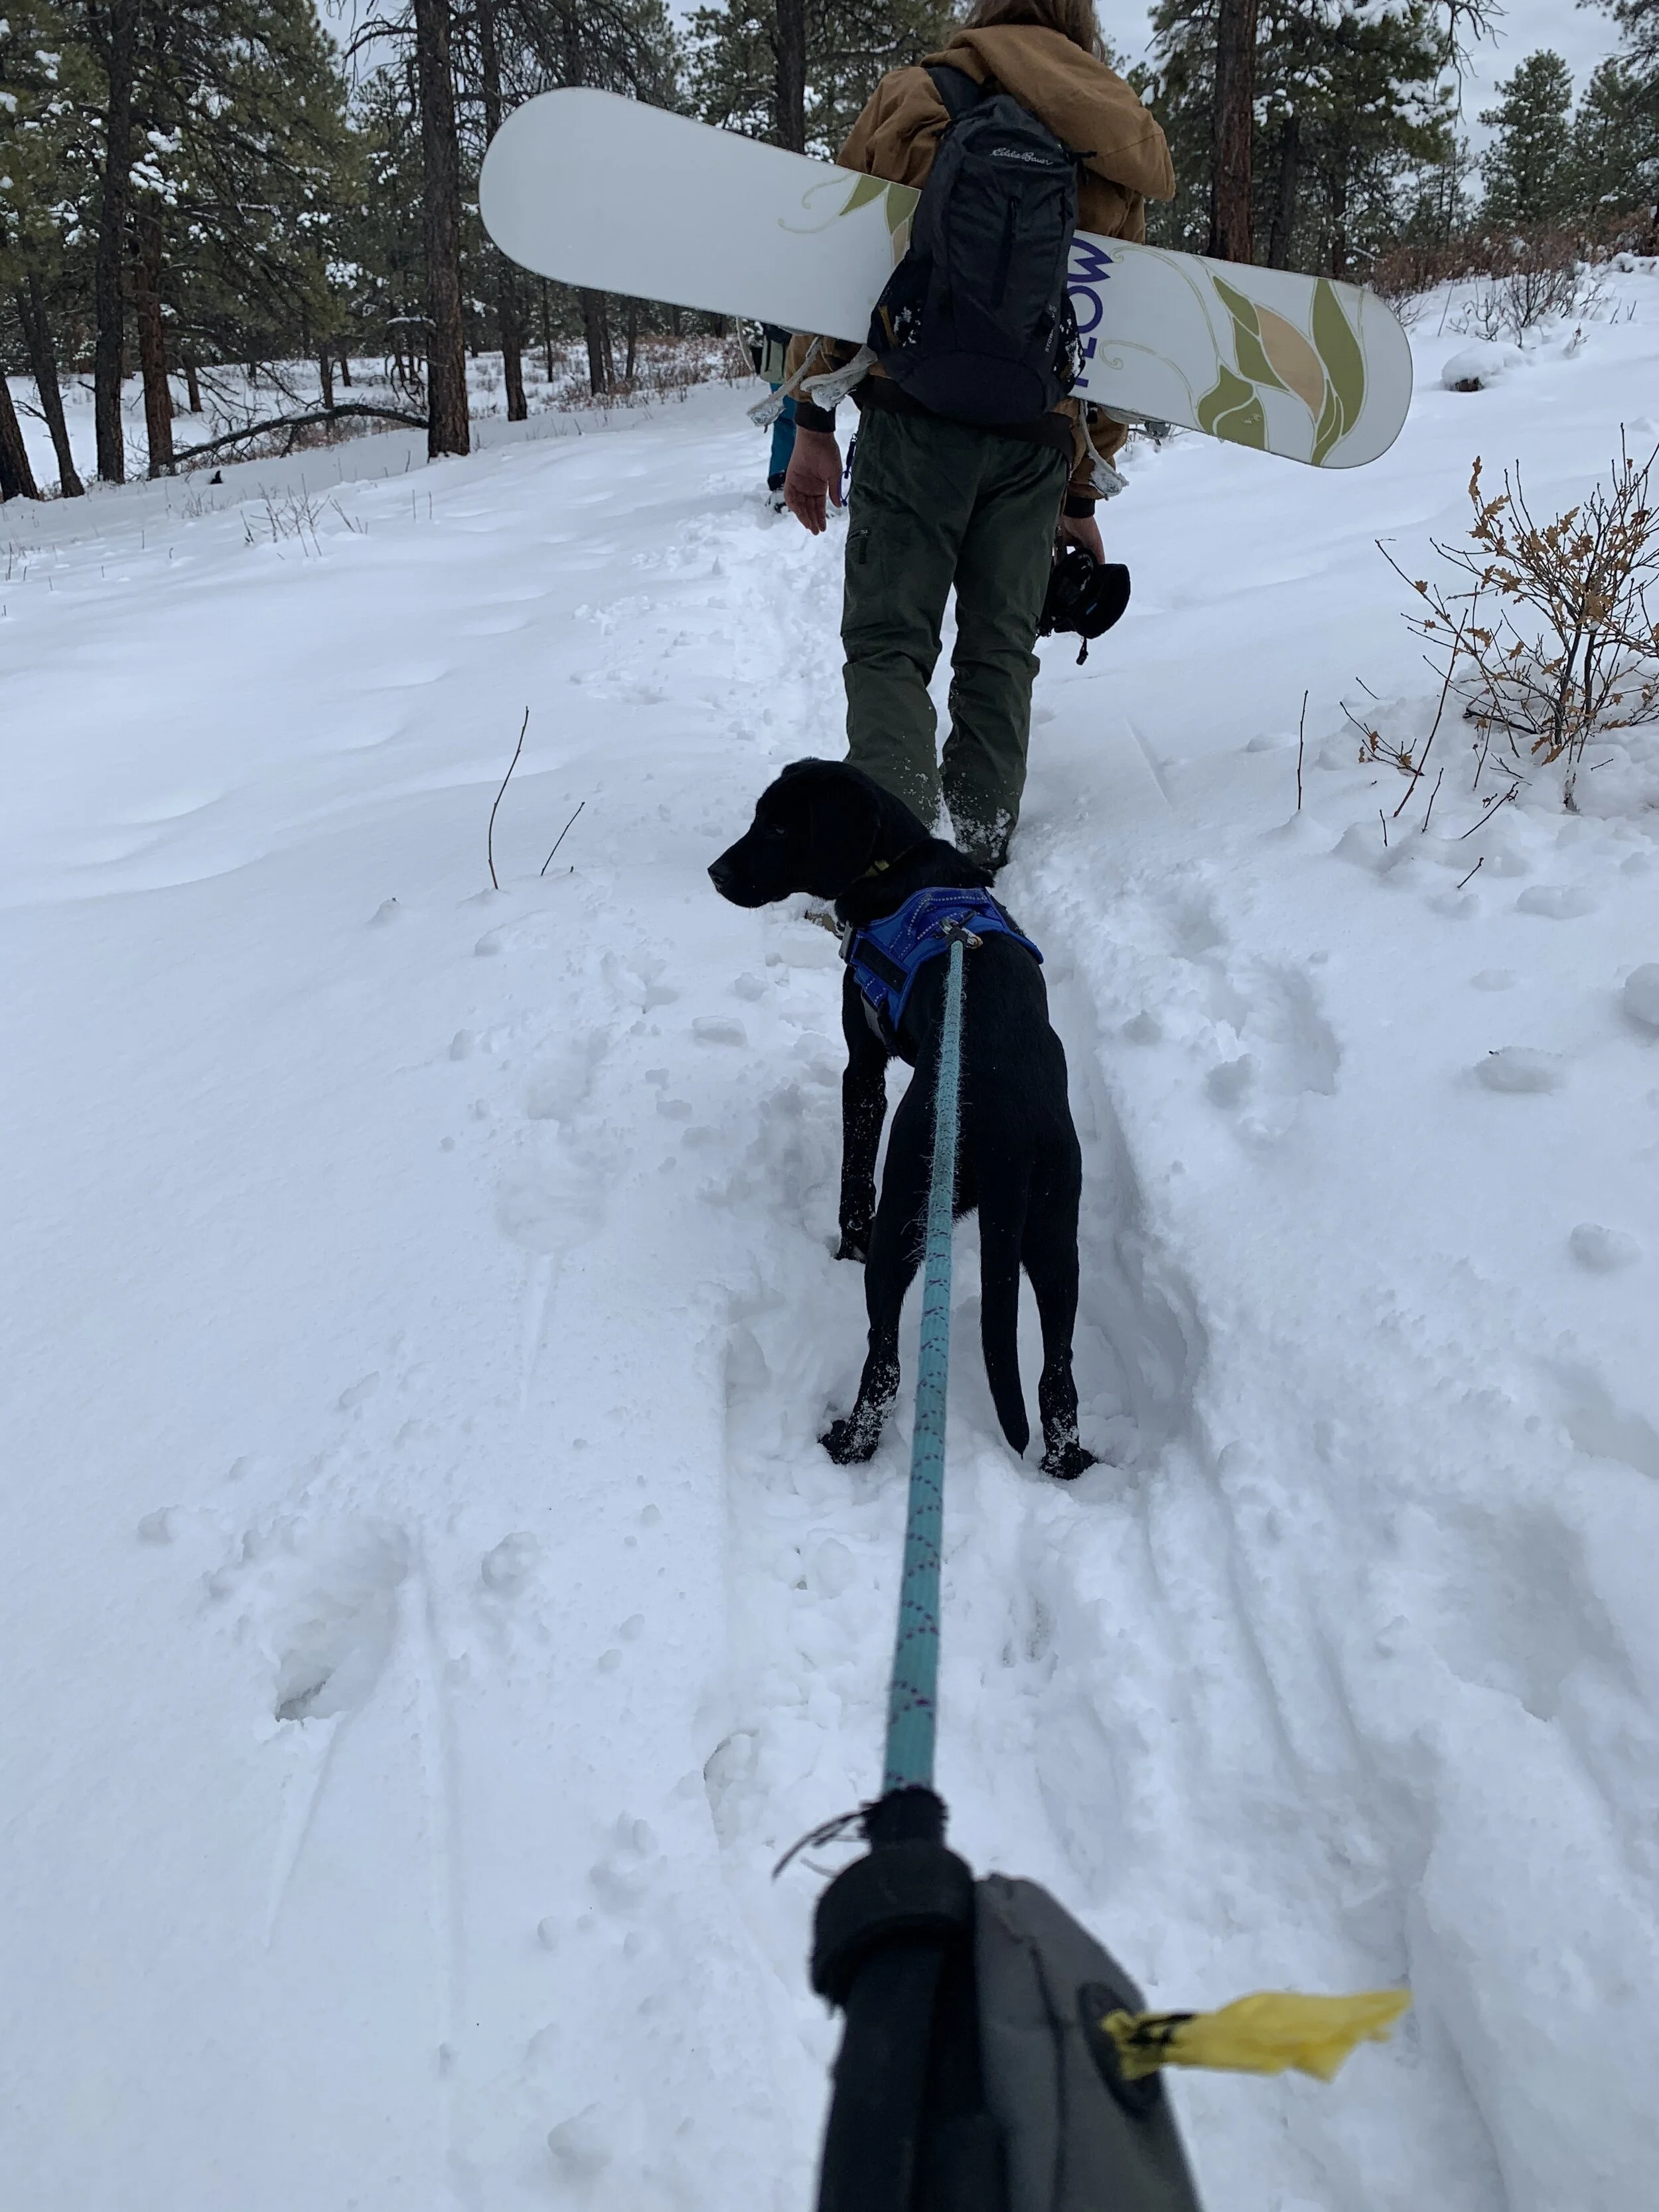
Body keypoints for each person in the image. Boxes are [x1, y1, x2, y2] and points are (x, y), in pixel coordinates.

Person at [780, 0, 1173, 869]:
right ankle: (981, 846)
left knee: (889, 643)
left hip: (913, 415)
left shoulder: (914, 97)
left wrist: (811, 417)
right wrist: (1081, 491)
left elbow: (836, 269)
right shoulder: (1112, 136)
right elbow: (1114, 330)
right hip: (1036, 437)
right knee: (999, 651)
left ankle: (893, 863)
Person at [746, 323, 798, 505]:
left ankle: (783, 479)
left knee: (788, 419)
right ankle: (792, 480)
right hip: (786, 357)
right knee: (798, 419)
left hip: (779, 357)